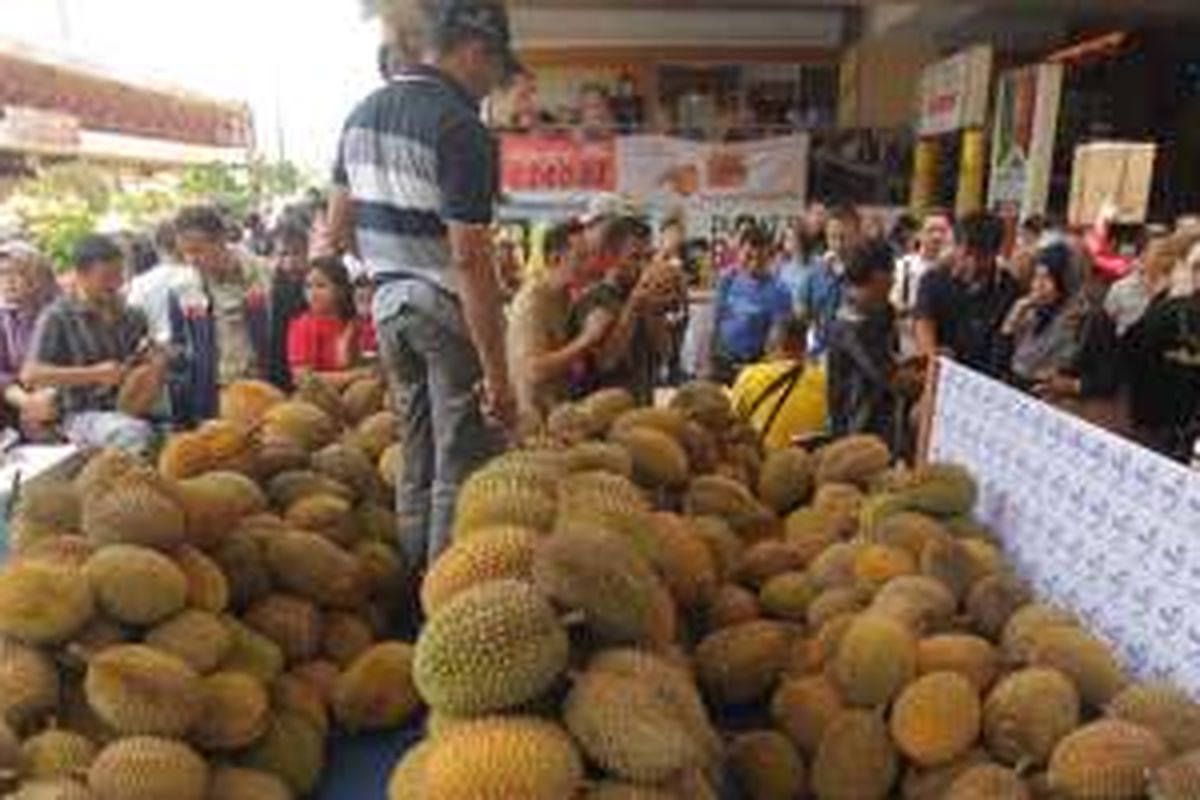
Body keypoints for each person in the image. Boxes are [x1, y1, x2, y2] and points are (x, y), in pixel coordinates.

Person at [325, 0, 521, 570]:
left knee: (417, 457)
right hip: (443, 308)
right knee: (458, 462)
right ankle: (440, 598)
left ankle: (407, 592)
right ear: (475, 51)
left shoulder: (361, 114)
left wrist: (389, 266)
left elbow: (337, 227)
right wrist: (499, 376)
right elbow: (469, 258)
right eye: (496, 69)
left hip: (389, 309)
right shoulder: (461, 127)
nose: (493, 85)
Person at [22, 235, 166, 454]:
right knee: (132, 433)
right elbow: (31, 375)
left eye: (120, 275)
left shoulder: (132, 315)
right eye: (106, 277)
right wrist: (94, 374)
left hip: (129, 405)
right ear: (80, 275)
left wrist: (155, 358)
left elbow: (144, 356)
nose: (116, 284)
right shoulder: (58, 317)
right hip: (78, 414)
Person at [169, 205, 272, 426]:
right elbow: (181, 347)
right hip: (215, 396)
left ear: (221, 239)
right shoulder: (182, 290)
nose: (191, 259)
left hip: (264, 387)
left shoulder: (265, 274)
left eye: (197, 250)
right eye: (185, 253)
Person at [507, 220, 606, 427]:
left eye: (591, 256)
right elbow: (533, 370)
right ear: (555, 259)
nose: (591, 265)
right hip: (534, 421)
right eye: (581, 257)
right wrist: (587, 338)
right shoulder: (532, 301)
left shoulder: (564, 295)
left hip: (558, 414)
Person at [567, 215, 670, 404]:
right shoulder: (592, 300)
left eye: (648, 257)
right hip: (603, 413)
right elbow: (606, 362)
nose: (643, 266)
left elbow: (664, 354)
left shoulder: (645, 295)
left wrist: (654, 313)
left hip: (641, 408)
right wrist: (633, 307)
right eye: (635, 257)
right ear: (611, 257)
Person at [915, 211, 1020, 379]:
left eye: (981, 257)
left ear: (995, 253)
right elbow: (924, 331)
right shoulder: (933, 281)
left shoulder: (1008, 288)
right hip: (943, 376)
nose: (973, 264)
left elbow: (1008, 344)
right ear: (956, 247)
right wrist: (932, 355)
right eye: (967, 255)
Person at [1124, 231, 1200, 459]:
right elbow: (1130, 352)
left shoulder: (1173, 308)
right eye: (1196, 268)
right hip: (1155, 432)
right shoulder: (1169, 308)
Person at [826, 240, 905, 441]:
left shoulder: (883, 310)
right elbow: (895, 380)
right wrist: (936, 373)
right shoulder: (852, 321)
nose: (895, 280)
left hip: (885, 425)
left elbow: (893, 358)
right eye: (892, 272)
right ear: (878, 275)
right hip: (855, 435)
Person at [709, 223, 792, 384]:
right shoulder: (728, 279)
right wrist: (710, 358)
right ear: (739, 252)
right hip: (723, 359)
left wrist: (762, 367)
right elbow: (716, 321)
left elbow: (776, 337)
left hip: (756, 364)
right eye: (748, 257)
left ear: (768, 257)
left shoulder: (779, 291)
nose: (753, 264)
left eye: (760, 259)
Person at [730, 316, 828, 450]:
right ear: (805, 347)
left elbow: (733, 422)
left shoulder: (750, 377)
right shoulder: (823, 380)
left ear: (770, 345)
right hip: (809, 457)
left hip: (765, 457)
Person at [1000, 244, 1079, 390]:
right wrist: (1011, 320)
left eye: (1047, 278)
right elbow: (1000, 361)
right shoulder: (1030, 312)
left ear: (1063, 283)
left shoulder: (1074, 320)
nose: (1038, 285)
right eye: (1036, 277)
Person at [287, 257, 371, 389]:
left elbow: (361, 362)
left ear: (341, 290)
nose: (312, 293)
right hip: (318, 398)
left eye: (321, 286)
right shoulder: (302, 326)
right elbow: (303, 379)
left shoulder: (354, 324)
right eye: (308, 286)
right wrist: (356, 375)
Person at [0, 244, 57, 436]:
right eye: (2, 273)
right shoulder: (4, 318)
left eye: (18, 273)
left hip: (63, 398)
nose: (8, 281)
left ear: (38, 276)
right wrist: (26, 401)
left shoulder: (63, 314)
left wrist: (48, 397)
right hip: (20, 401)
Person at [797, 206, 860, 355]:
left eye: (844, 237)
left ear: (857, 237)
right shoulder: (815, 271)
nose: (838, 244)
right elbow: (801, 309)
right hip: (820, 350)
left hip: (854, 353)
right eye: (833, 237)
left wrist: (844, 276)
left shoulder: (868, 271)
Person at [893, 210, 952, 358]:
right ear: (919, 235)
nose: (937, 236)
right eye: (931, 230)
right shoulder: (903, 267)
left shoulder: (956, 271)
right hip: (909, 352)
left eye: (942, 231)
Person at [127, 221, 194, 346]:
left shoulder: (141, 283)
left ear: (157, 247)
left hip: (160, 350)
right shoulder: (195, 275)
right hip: (194, 345)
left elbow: (133, 321)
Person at [266, 215, 312, 391]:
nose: (290, 261)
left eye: (297, 253)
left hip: (310, 365)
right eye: (283, 254)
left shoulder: (314, 283)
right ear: (274, 255)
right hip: (278, 365)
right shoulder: (270, 285)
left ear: (307, 252)